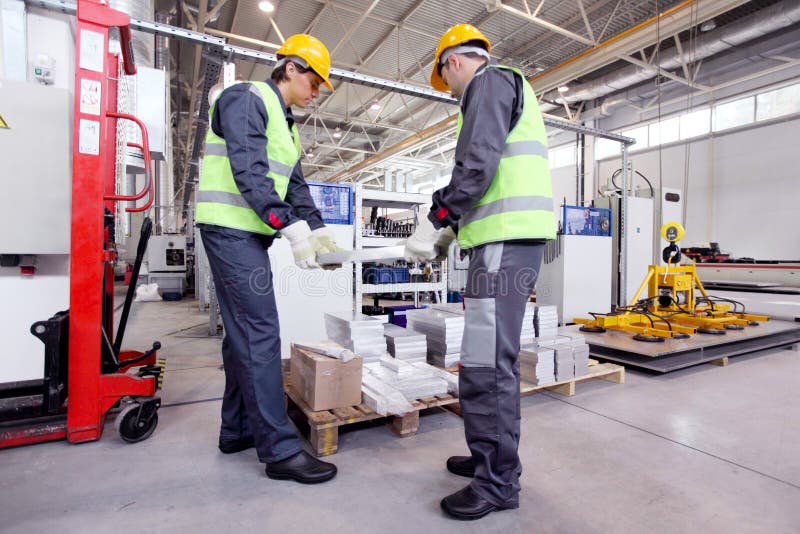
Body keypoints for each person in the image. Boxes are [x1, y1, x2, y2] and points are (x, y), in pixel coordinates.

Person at [404, 24, 556, 520]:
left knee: (486, 361)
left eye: (447, 82)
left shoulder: (488, 83)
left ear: (453, 62)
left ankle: (497, 482)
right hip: (503, 241)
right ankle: (491, 457)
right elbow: (488, 173)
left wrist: (436, 218)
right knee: (487, 356)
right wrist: (452, 231)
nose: (451, 92)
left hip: (503, 242)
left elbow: (476, 165)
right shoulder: (508, 86)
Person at [196, 34, 343, 484]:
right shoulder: (247, 97)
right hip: (229, 229)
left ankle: (236, 429)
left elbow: (295, 187)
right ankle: (280, 452)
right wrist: (288, 226)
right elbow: (249, 170)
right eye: (314, 82)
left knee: (242, 334)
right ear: (292, 68)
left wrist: (318, 230)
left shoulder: (287, 126)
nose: (316, 92)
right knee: (260, 331)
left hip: (248, 234)